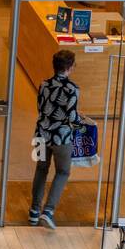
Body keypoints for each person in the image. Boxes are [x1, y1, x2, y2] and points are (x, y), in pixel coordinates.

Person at [31, 49, 91, 230]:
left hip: (41, 134)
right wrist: (82, 123)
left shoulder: (43, 84)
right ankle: (48, 211)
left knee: (41, 169)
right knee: (63, 172)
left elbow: (41, 108)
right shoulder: (72, 89)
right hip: (61, 137)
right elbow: (72, 117)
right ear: (70, 67)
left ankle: (34, 211)